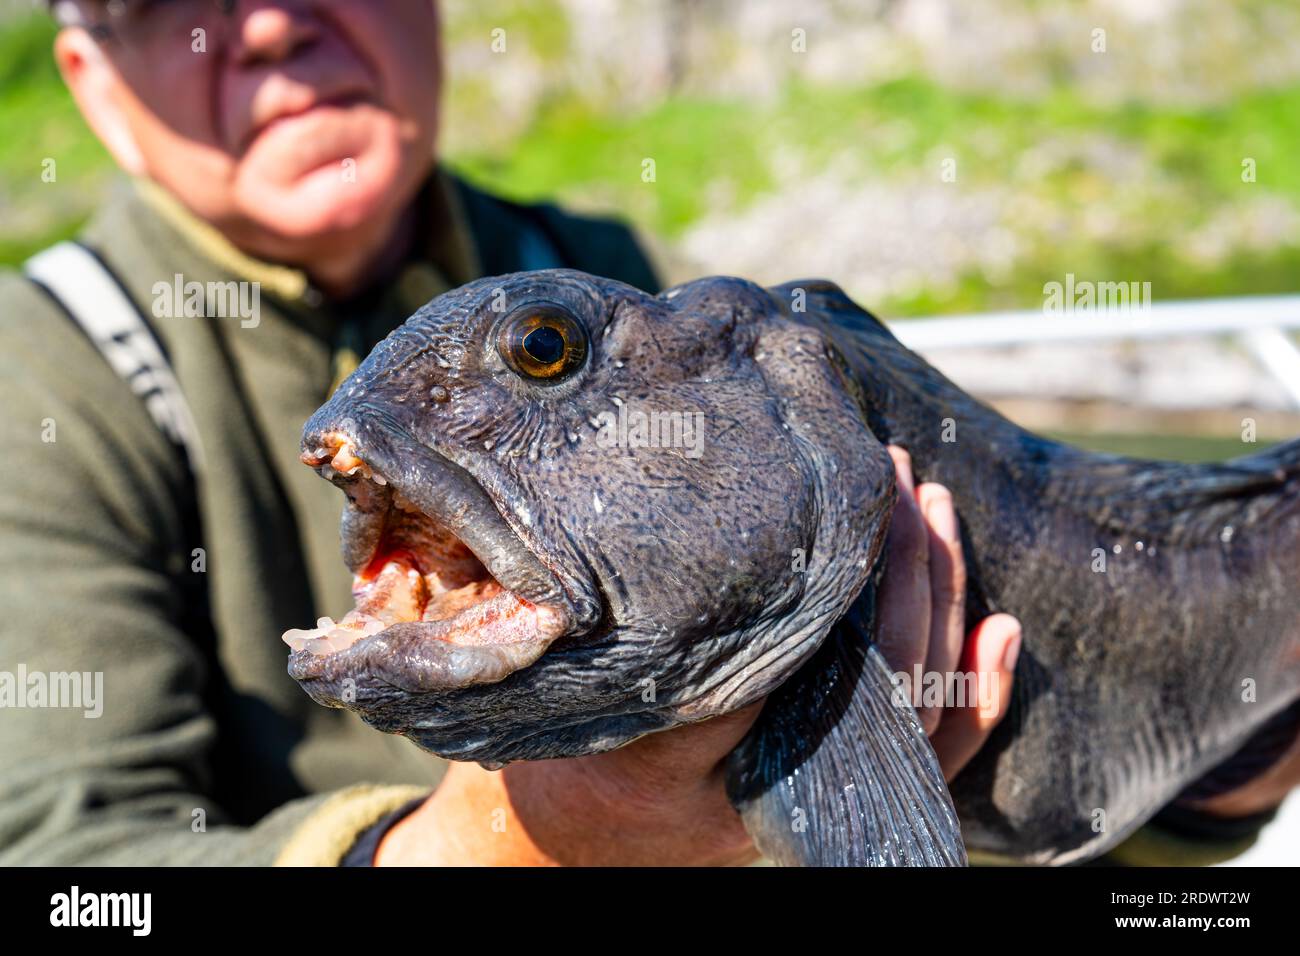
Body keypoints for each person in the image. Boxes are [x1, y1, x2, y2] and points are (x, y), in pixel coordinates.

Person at [0, 1, 1289, 867]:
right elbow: (71, 876)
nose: (271, 20)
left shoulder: (607, 271)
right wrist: (517, 842)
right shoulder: (38, 372)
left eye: (546, 356)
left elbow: (1056, 795)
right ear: (93, 87)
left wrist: (1233, 766)